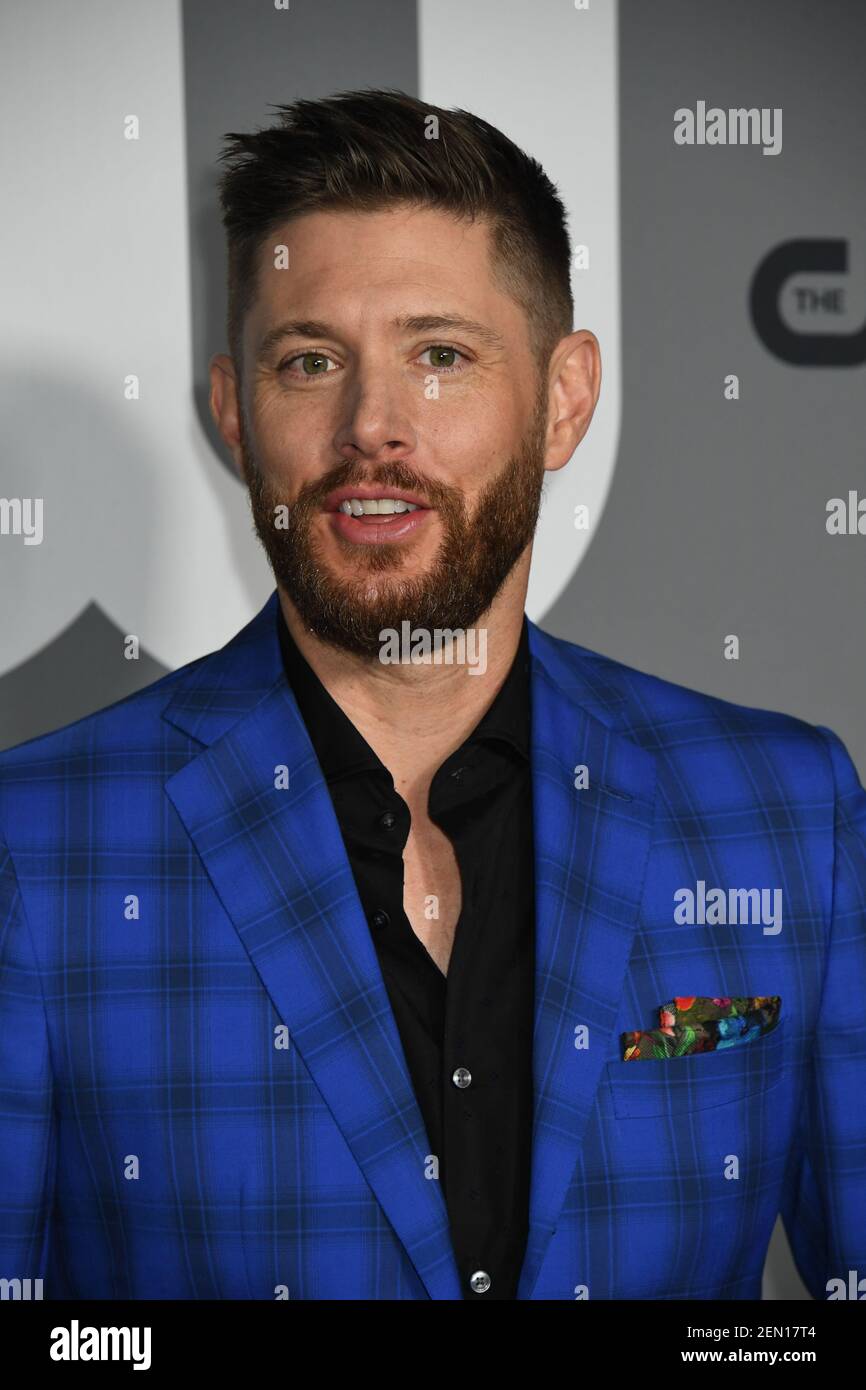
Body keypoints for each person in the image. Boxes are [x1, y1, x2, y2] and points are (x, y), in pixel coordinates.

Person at [0, 89, 863, 1301]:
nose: (372, 429)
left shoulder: (782, 813)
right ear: (235, 412)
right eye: (310, 362)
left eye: (440, 356)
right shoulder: (36, 842)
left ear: (562, 400)